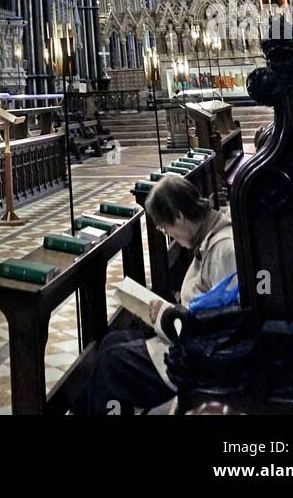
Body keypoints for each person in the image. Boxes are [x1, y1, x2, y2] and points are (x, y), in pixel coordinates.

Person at [76, 173, 236, 415]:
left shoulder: (223, 248)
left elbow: (223, 326)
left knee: (112, 362)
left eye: (166, 228)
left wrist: (166, 316)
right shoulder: (209, 234)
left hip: (198, 359)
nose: (170, 236)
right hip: (187, 337)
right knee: (112, 341)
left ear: (180, 217)